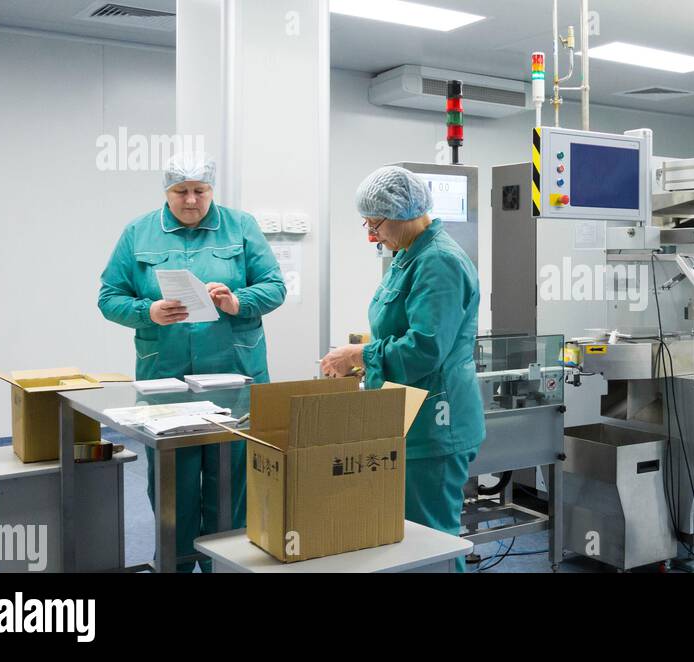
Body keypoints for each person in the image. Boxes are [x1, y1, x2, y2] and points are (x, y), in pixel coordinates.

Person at [98, 152, 285, 572]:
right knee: (173, 482)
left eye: (200, 191)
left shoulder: (241, 227)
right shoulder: (139, 233)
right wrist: (148, 311)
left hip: (236, 379)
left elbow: (274, 286)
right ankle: (175, 563)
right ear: (166, 192)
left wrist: (238, 301)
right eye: (181, 191)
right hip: (167, 379)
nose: (190, 201)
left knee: (232, 482)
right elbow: (109, 298)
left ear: (212, 190)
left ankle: (226, 564)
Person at [320, 166, 484, 572]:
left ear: (401, 214)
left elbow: (425, 348)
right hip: (412, 412)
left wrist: (360, 356)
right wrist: (366, 361)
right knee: (407, 535)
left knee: (434, 540)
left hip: (437, 420)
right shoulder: (409, 256)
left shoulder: (439, 262)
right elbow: (401, 328)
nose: (371, 235)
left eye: (375, 225)